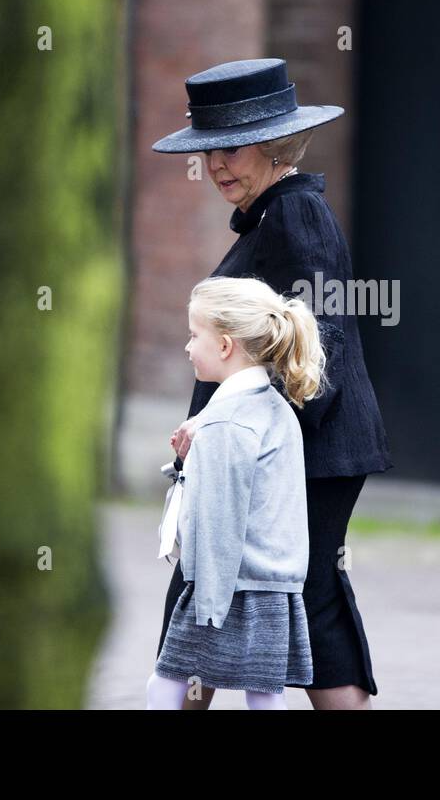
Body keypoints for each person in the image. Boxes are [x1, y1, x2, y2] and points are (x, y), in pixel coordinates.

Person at [151, 58, 392, 709]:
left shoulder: (292, 215)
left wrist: (243, 431)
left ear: (274, 143)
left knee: (239, 590)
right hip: (297, 452)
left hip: (304, 456)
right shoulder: (273, 213)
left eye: (231, 147)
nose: (217, 165)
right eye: (207, 151)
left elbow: (323, 342)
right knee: (300, 598)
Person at [146, 277, 321, 710]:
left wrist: (206, 595)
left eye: (193, 335)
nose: (188, 347)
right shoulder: (271, 407)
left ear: (224, 346)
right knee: (264, 697)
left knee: (165, 688)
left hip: (226, 587)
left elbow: (218, 519)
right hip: (270, 586)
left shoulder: (228, 423)